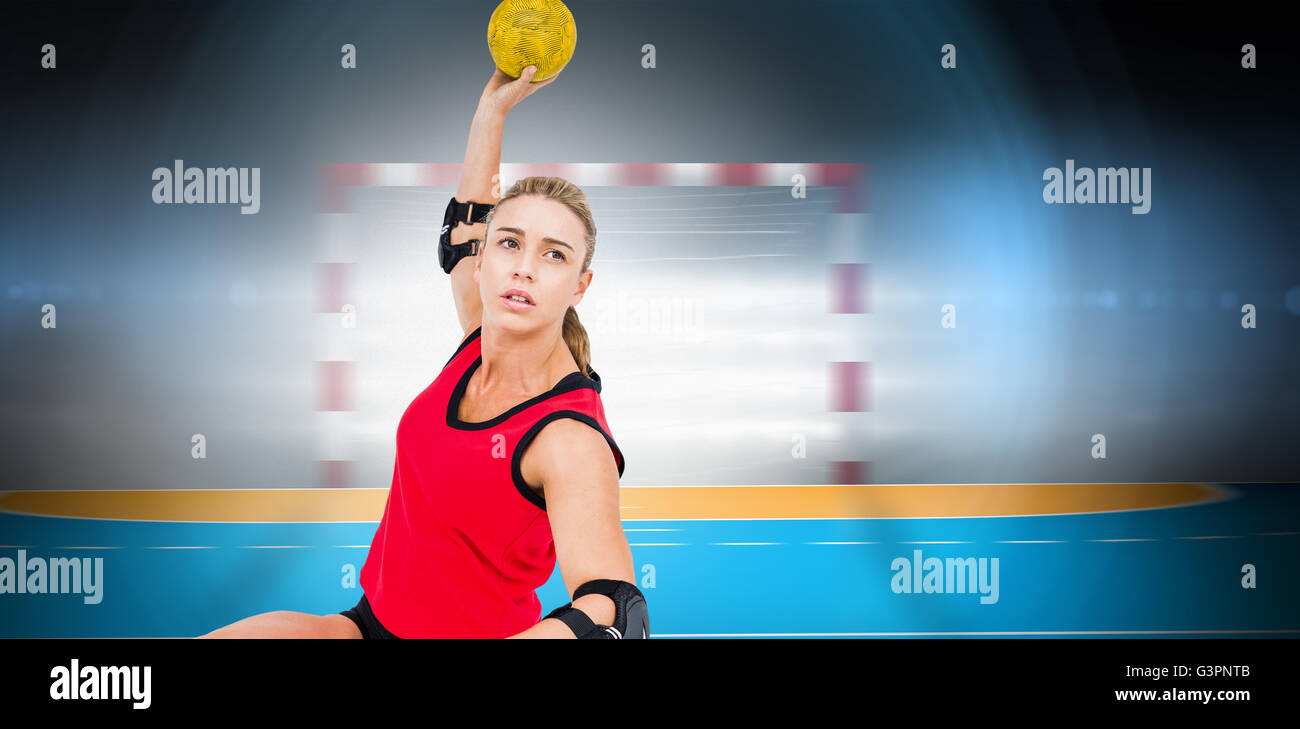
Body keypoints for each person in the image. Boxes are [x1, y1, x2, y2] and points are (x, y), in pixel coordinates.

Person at [200, 65, 647, 638]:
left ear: (580, 286)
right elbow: (462, 228)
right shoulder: (476, 343)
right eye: (510, 243)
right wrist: (492, 112)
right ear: (484, 261)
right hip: (364, 628)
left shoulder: (567, 436)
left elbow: (615, 608)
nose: (525, 267)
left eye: (554, 255)